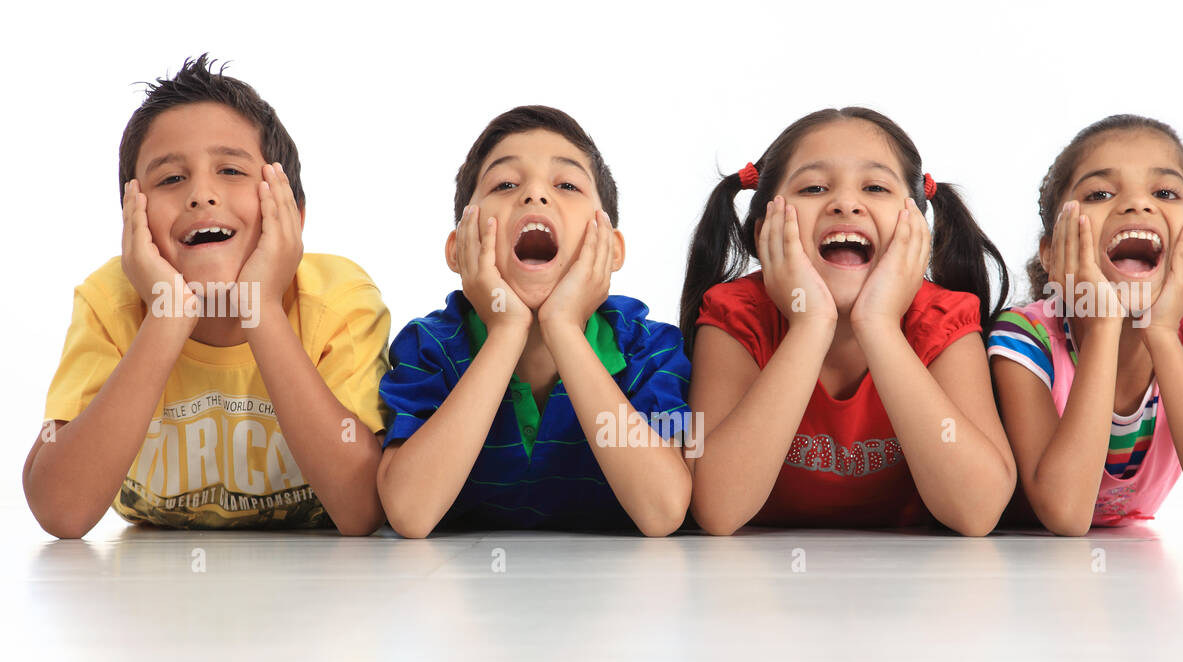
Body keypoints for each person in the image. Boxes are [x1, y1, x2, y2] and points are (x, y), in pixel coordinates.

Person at [24, 54, 390, 536]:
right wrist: (168, 315)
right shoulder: (109, 302)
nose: (201, 194)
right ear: (134, 223)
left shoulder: (338, 299)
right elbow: (60, 510)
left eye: (232, 172)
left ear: (293, 215)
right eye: (171, 179)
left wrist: (259, 307)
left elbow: (364, 508)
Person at [682, 107, 1015, 535]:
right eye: (815, 187)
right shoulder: (736, 314)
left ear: (916, 224)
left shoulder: (942, 320)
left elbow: (977, 512)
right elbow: (718, 509)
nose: (845, 203)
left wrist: (878, 324)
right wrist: (810, 324)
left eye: (875, 187)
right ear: (766, 226)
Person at [377, 106, 692, 537]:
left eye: (566, 184)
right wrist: (506, 330)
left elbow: (663, 510)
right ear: (458, 248)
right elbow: (410, 512)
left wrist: (563, 327)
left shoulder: (649, 349)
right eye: (505, 184)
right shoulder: (429, 346)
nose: (535, 195)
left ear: (612, 249)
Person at [986, 115, 1183, 536]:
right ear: (1050, 252)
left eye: (1165, 192)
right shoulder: (1027, 337)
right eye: (1099, 193)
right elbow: (1065, 514)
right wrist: (1102, 328)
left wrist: (1161, 333)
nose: (1138, 204)